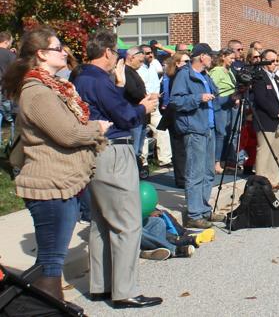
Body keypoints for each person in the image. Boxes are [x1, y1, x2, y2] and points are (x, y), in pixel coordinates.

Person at [4, 28, 109, 303]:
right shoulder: (36, 92)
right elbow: (68, 134)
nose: (65, 52)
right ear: (41, 54)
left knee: (52, 260)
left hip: (66, 181)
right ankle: (42, 306)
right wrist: (96, 128)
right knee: (50, 264)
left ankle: (39, 305)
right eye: (58, 47)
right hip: (49, 186)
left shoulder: (54, 86)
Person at [72, 29, 162, 308]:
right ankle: (125, 291)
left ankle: (101, 285)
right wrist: (143, 108)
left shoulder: (80, 77)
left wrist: (121, 90)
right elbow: (124, 116)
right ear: (108, 52)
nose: (117, 60)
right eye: (116, 55)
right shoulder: (98, 80)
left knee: (101, 222)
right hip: (113, 151)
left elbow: (106, 107)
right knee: (127, 223)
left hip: (94, 151)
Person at [169, 43, 229, 229]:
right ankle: (194, 214)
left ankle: (204, 210)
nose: (213, 59)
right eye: (210, 56)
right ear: (202, 57)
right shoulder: (184, 75)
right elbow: (175, 101)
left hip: (208, 128)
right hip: (194, 129)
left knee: (208, 172)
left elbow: (216, 94)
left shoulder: (205, 75)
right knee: (195, 173)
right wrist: (198, 98)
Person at [251, 48, 279, 189]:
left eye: (276, 61)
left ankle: (274, 180)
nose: (274, 63)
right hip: (265, 119)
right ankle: (261, 183)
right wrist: (277, 112)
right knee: (265, 151)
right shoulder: (259, 77)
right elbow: (262, 100)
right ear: (264, 61)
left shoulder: (277, 77)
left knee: (277, 151)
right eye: (271, 61)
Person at [160, 51, 190, 188]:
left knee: (183, 149)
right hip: (174, 116)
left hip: (181, 116)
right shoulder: (176, 77)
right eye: (186, 61)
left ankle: (184, 177)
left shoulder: (183, 75)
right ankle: (181, 179)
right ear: (177, 64)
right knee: (179, 149)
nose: (188, 64)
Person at [140, 44, 172, 169]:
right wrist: (148, 96)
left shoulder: (152, 67)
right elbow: (138, 87)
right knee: (143, 133)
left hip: (155, 104)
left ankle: (165, 159)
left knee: (162, 130)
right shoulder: (138, 69)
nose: (150, 55)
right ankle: (143, 162)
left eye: (151, 52)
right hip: (144, 103)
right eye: (147, 53)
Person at [210, 48, 239, 173]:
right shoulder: (217, 71)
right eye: (231, 58)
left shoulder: (229, 71)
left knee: (228, 133)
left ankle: (223, 160)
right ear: (223, 57)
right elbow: (212, 88)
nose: (233, 61)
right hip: (220, 104)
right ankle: (215, 163)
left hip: (230, 104)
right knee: (220, 133)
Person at [123, 46, 149, 177]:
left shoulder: (134, 71)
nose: (142, 63)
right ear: (131, 57)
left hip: (141, 116)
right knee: (133, 149)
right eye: (140, 61)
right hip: (133, 114)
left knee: (138, 149)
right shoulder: (125, 71)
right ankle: (131, 176)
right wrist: (146, 97)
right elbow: (132, 91)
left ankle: (137, 173)